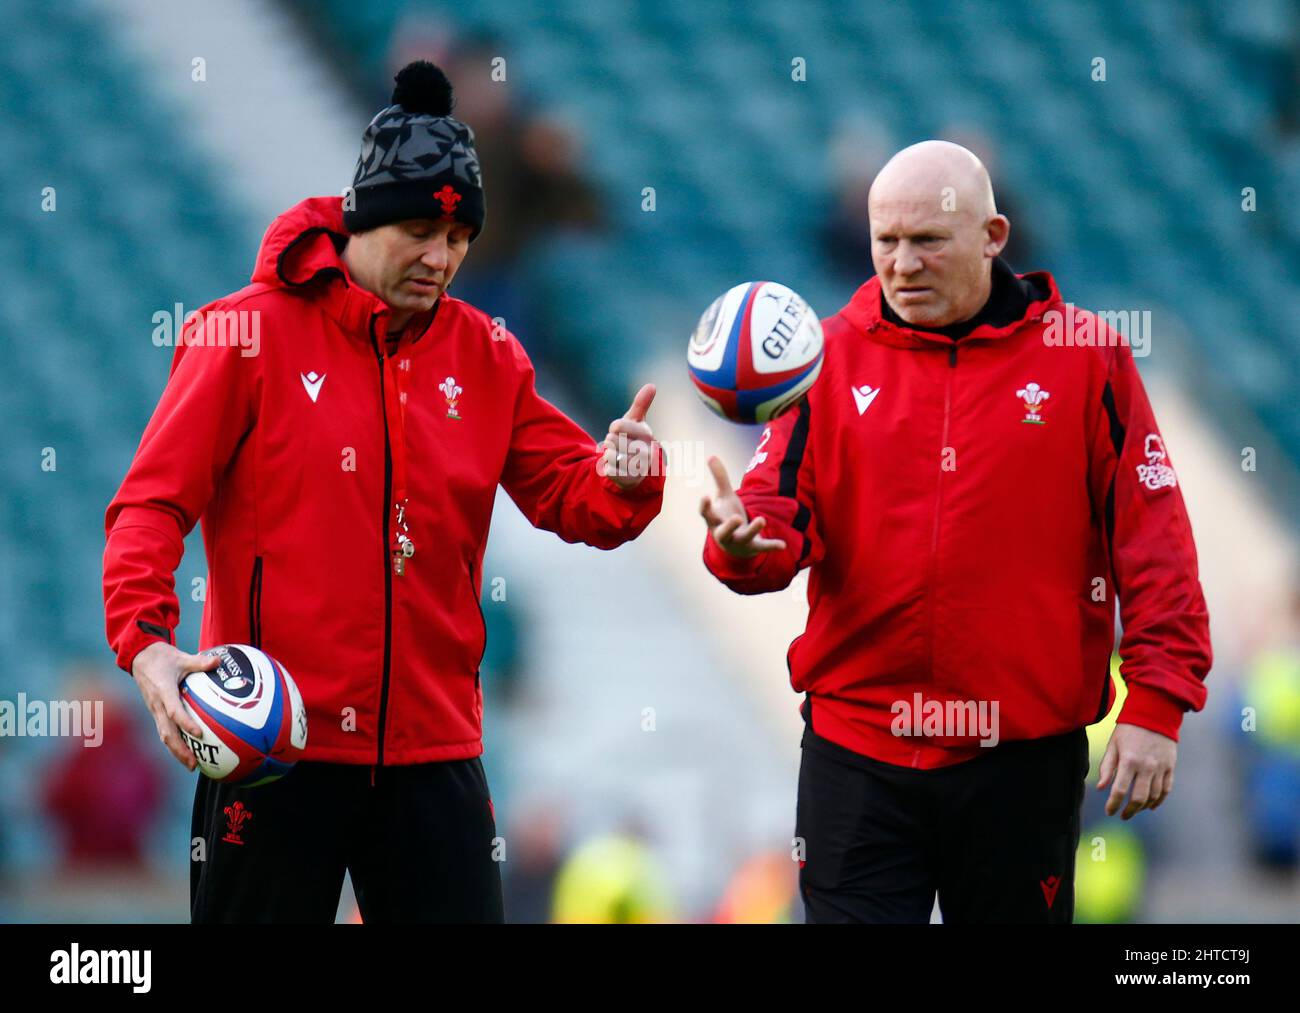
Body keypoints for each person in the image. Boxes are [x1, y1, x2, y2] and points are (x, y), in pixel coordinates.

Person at [102, 61, 665, 924]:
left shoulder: (489, 354)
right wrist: (147, 645)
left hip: (436, 752)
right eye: (415, 233)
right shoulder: (241, 334)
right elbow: (150, 503)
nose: (439, 259)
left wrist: (627, 475)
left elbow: (571, 495)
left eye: (458, 239)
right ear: (359, 220)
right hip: (272, 747)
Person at [699, 140, 1211, 923]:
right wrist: (739, 547)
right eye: (886, 242)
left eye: (927, 240)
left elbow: (1155, 541)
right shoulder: (824, 358)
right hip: (858, 750)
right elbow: (770, 518)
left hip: (1022, 762)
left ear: (993, 236)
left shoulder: (1088, 357)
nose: (902, 264)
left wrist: (1156, 702)